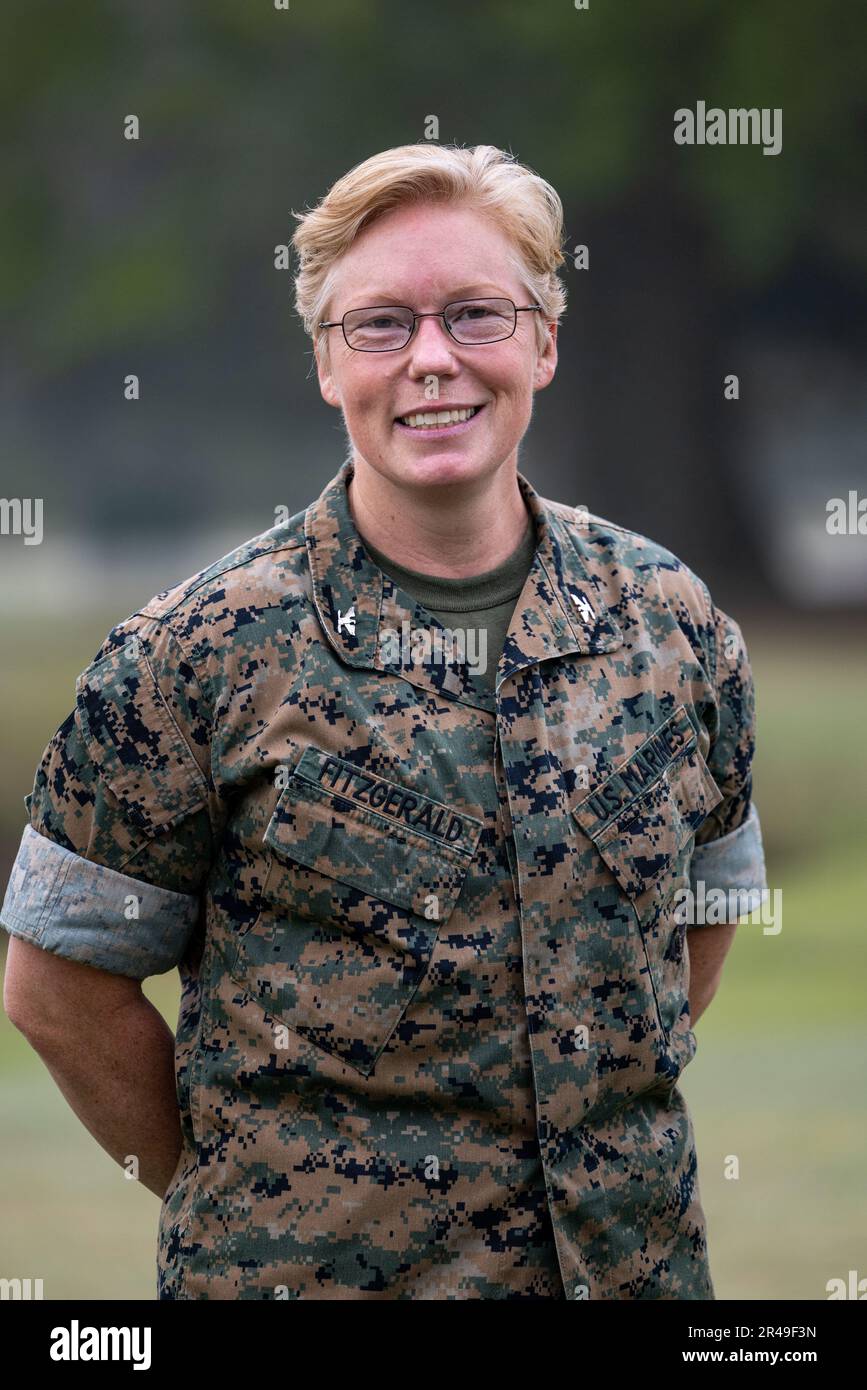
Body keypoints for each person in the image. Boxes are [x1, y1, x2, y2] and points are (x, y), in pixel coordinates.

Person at [1, 142, 767, 1300]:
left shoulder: (673, 624)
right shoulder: (195, 651)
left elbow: (705, 914)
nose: (433, 360)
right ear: (326, 362)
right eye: (380, 325)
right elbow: (56, 983)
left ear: (546, 341)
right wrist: (244, 1194)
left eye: (477, 314)